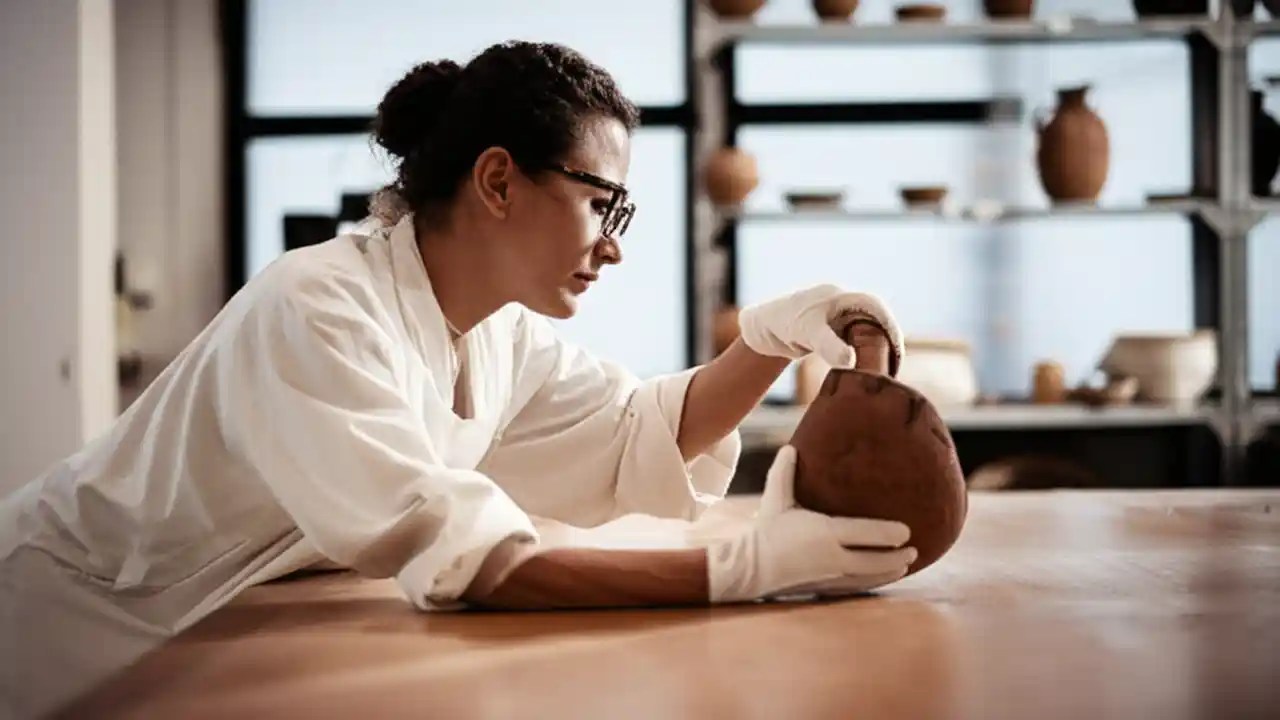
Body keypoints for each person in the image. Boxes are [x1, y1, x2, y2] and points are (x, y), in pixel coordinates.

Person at [0, 41, 916, 718]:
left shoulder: (494, 331)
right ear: (497, 180)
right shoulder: (320, 306)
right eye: (602, 202)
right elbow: (475, 565)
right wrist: (743, 568)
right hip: (62, 631)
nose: (614, 243)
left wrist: (774, 337)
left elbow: (640, 429)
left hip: (196, 638)